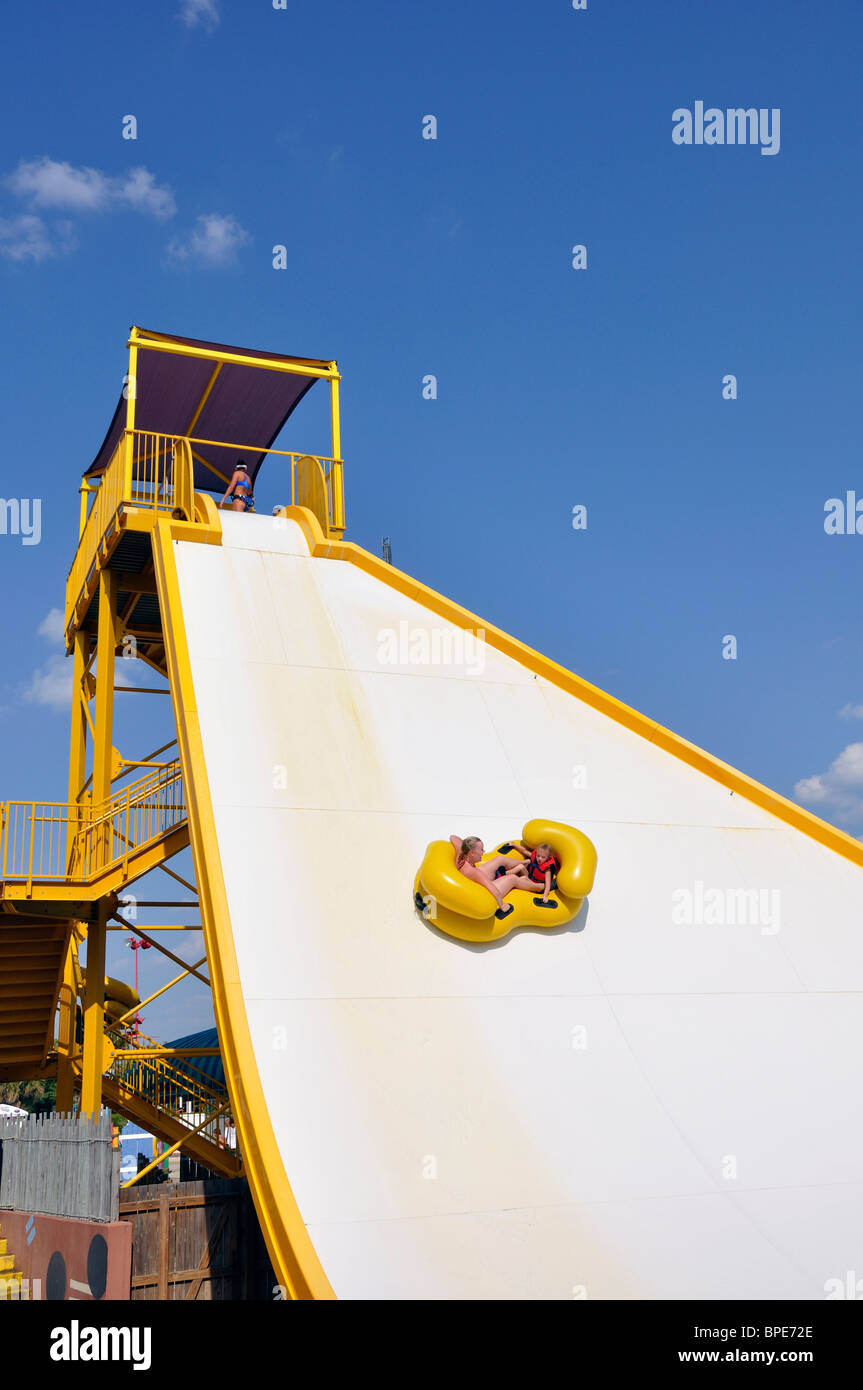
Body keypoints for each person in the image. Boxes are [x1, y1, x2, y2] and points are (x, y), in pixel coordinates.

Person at [451, 835, 539, 919]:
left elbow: (453, 837)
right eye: (481, 849)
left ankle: (526, 862)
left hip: (473, 883)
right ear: (472, 852)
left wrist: (465, 846)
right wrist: (503, 906)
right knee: (512, 878)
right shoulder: (474, 872)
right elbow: (494, 891)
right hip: (483, 893)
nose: (484, 852)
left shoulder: (461, 855)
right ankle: (539, 887)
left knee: (499, 859)